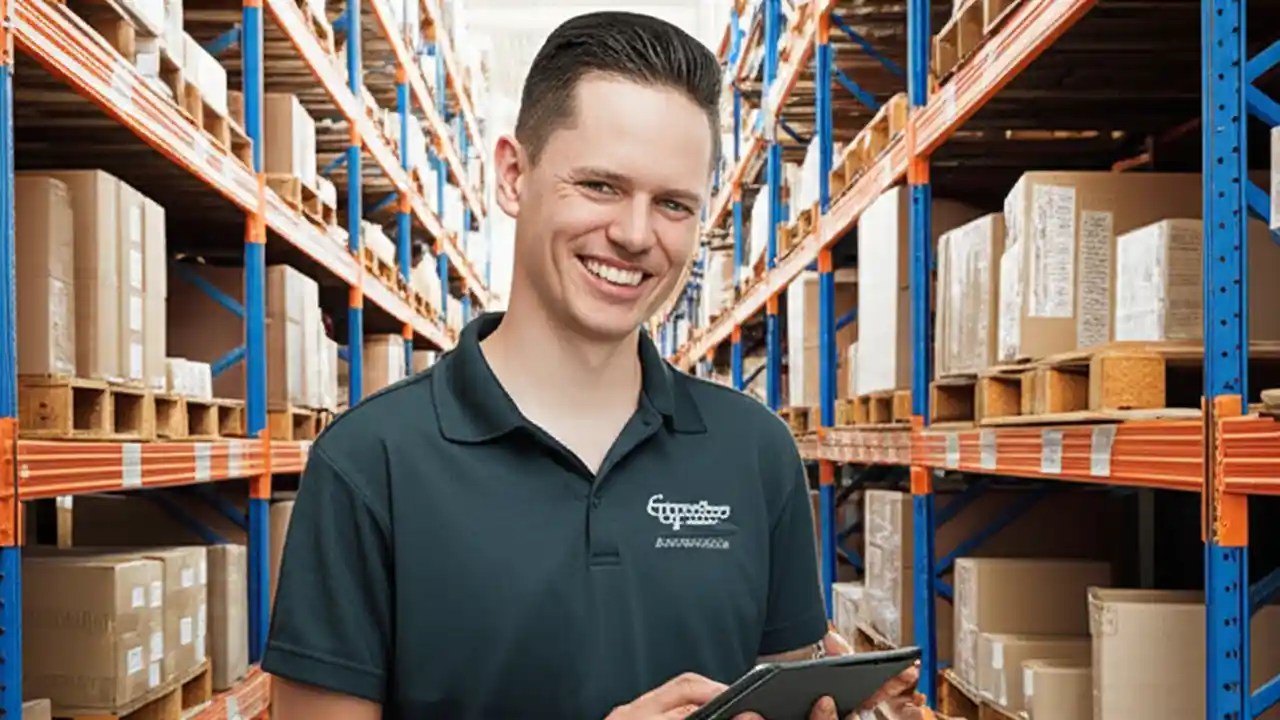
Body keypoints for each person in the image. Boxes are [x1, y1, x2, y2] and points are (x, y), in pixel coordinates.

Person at [262, 10, 931, 720]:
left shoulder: (756, 453)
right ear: (513, 175)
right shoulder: (370, 465)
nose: (636, 235)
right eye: (602, 186)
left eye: (672, 204)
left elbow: (785, 693)